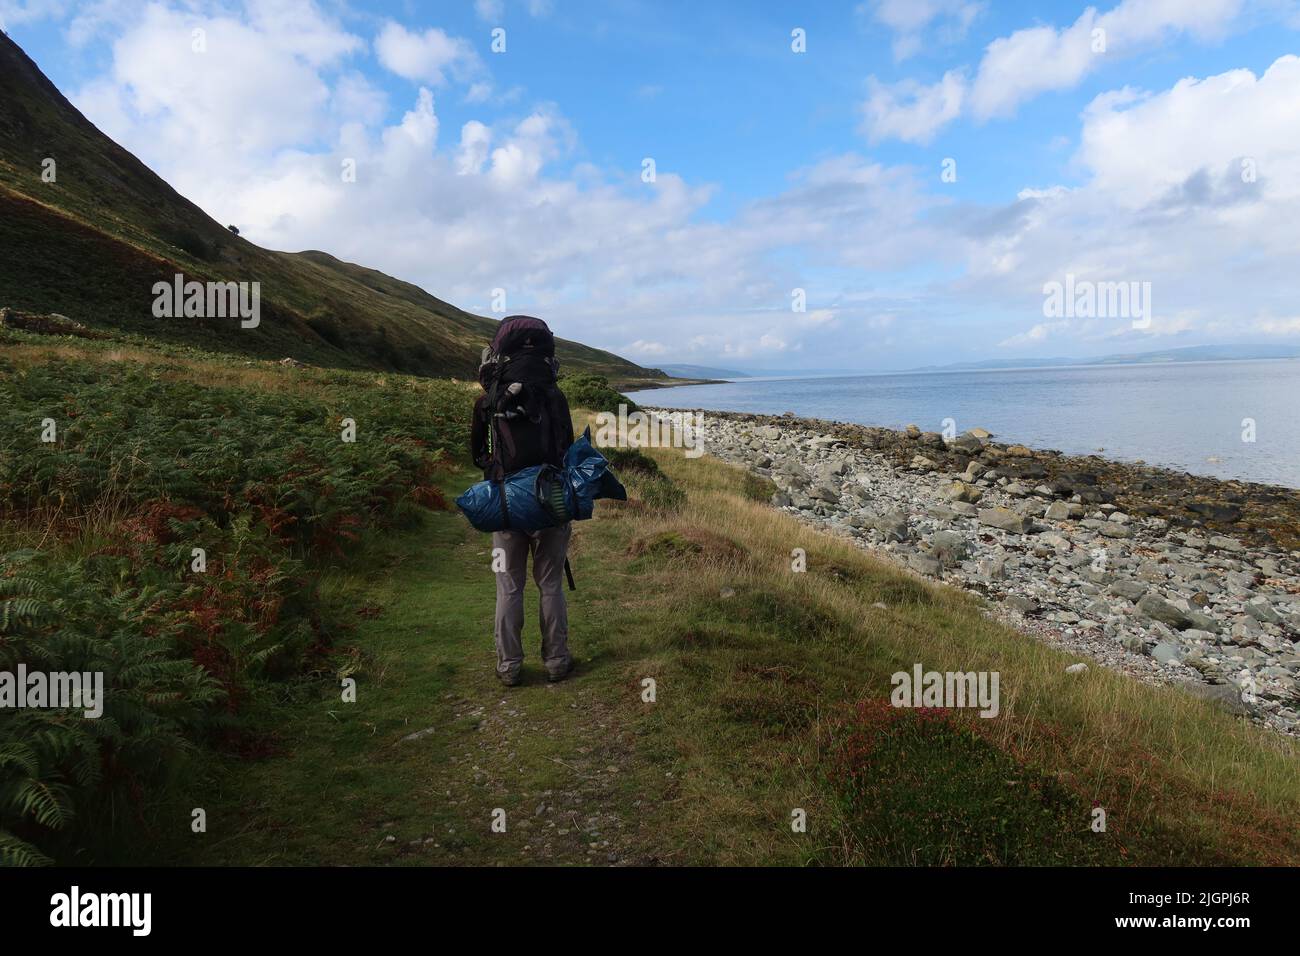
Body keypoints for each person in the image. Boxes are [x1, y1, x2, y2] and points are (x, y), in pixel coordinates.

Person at [470, 315, 576, 686]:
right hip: (552, 501)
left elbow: (478, 455)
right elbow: (568, 448)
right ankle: (557, 661)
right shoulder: (554, 396)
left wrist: (496, 471)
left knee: (509, 586)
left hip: (506, 505)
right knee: (550, 584)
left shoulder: (489, 400)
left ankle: (509, 666)